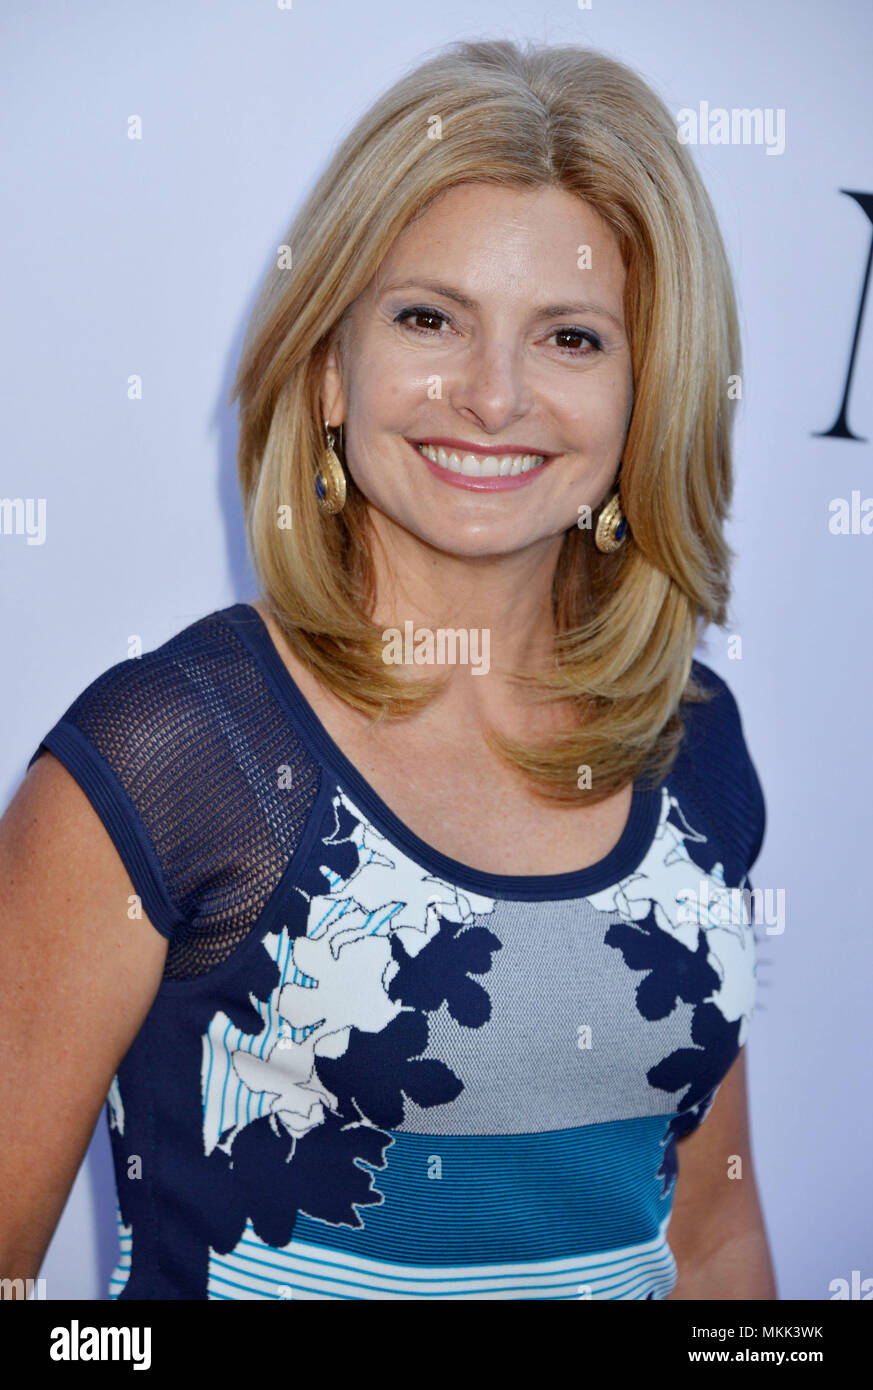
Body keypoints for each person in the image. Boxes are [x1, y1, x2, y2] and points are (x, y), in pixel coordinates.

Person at [0, 37, 776, 1300]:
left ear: (648, 394)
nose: (492, 394)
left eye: (571, 338)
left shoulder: (694, 742)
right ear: (325, 370)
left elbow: (710, 1232)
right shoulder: (167, 758)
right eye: (430, 318)